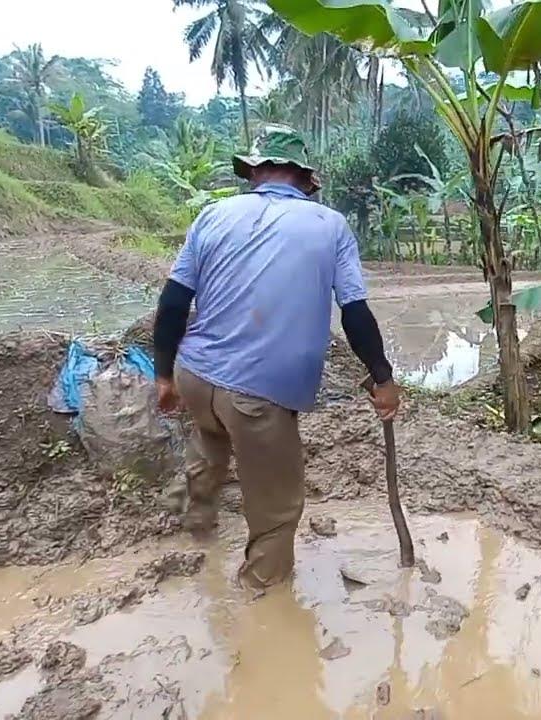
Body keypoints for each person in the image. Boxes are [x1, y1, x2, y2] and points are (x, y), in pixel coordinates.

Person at [151, 124, 401, 590]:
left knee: (210, 442)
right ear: (305, 180)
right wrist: (382, 378)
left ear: (256, 171)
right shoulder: (330, 225)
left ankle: (194, 527)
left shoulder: (213, 215)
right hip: (258, 394)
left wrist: (164, 375)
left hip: (195, 377)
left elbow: (172, 301)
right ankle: (263, 600)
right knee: (277, 509)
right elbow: (355, 312)